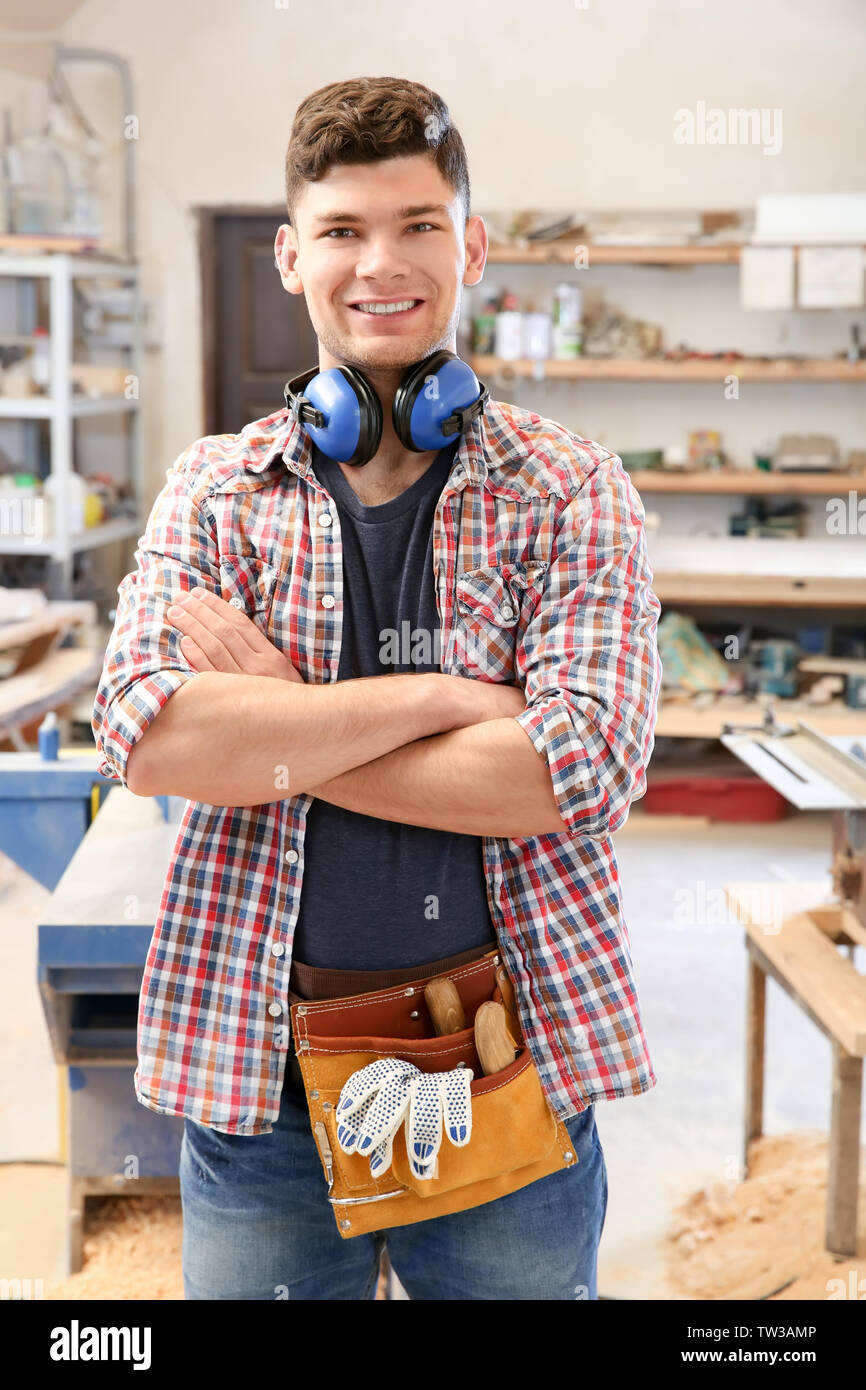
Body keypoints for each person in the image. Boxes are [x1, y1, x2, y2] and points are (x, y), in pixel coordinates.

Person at [92, 74, 662, 1301]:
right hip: (262, 1078)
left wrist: (280, 717)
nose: (380, 264)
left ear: (472, 244)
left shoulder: (569, 490)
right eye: (344, 230)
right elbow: (149, 735)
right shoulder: (214, 491)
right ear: (293, 256)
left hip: (505, 1064)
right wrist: (448, 697)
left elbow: (574, 768)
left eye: (417, 224)